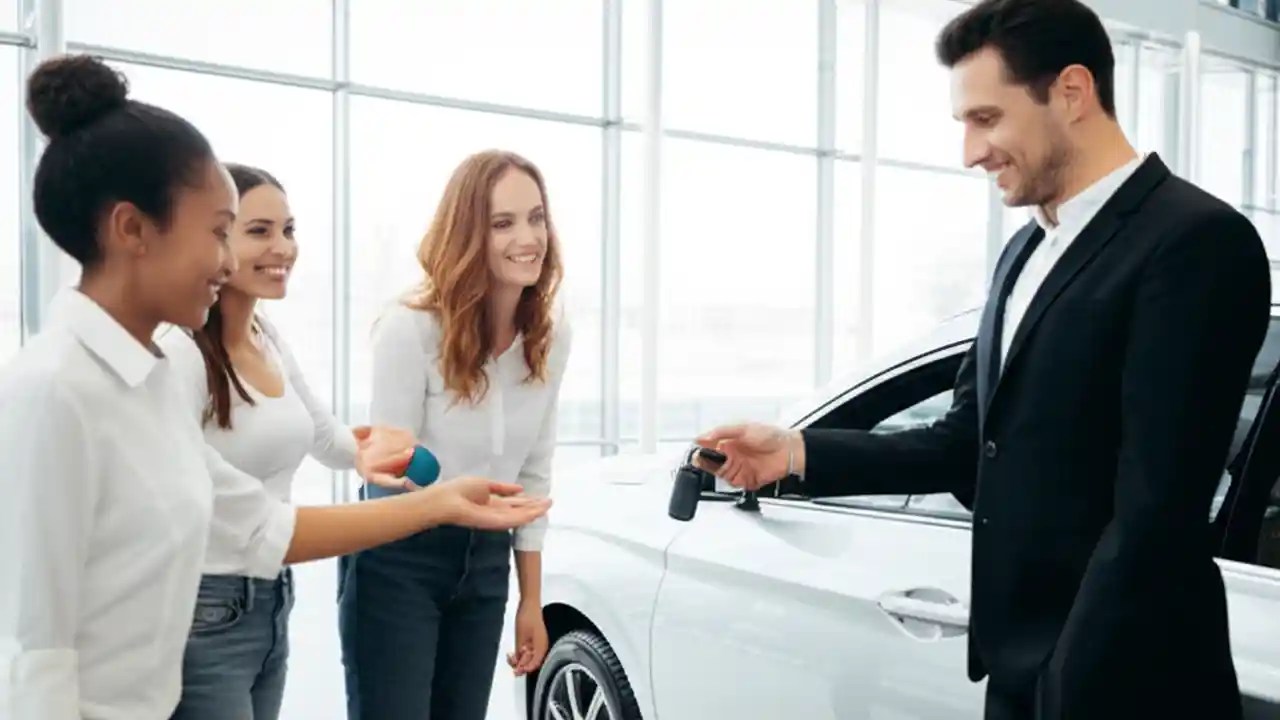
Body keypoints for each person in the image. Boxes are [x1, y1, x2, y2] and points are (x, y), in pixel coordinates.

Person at [694, 2, 1270, 719]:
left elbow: (1155, 513)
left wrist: (1067, 688)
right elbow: (968, 445)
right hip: (1022, 672)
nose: (970, 152)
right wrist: (797, 452)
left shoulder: (1197, 242)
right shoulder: (1024, 252)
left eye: (986, 119)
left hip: (1125, 683)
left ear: (1071, 92)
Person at [0, 55, 550, 720]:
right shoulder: (54, 389)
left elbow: (261, 527)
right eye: (218, 233)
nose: (229, 260)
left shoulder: (138, 384)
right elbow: (32, 657)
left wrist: (441, 502)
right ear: (132, 230)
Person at [159, 163, 493, 720]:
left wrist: (373, 450)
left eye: (289, 230)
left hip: (269, 599)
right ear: (215, 240)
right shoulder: (179, 354)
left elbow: (325, 436)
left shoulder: (268, 338)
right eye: (259, 230)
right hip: (200, 609)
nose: (283, 248)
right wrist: (428, 506)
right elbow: (252, 523)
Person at [339, 149, 571, 719]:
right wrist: (454, 493)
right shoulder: (409, 327)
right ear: (469, 233)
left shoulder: (549, 337)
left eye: (536, 217)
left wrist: (531, 601)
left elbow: (533, 471)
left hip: (487, 561)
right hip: (399, 556)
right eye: (503, 222)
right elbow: (391, 466)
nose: (528, 236)